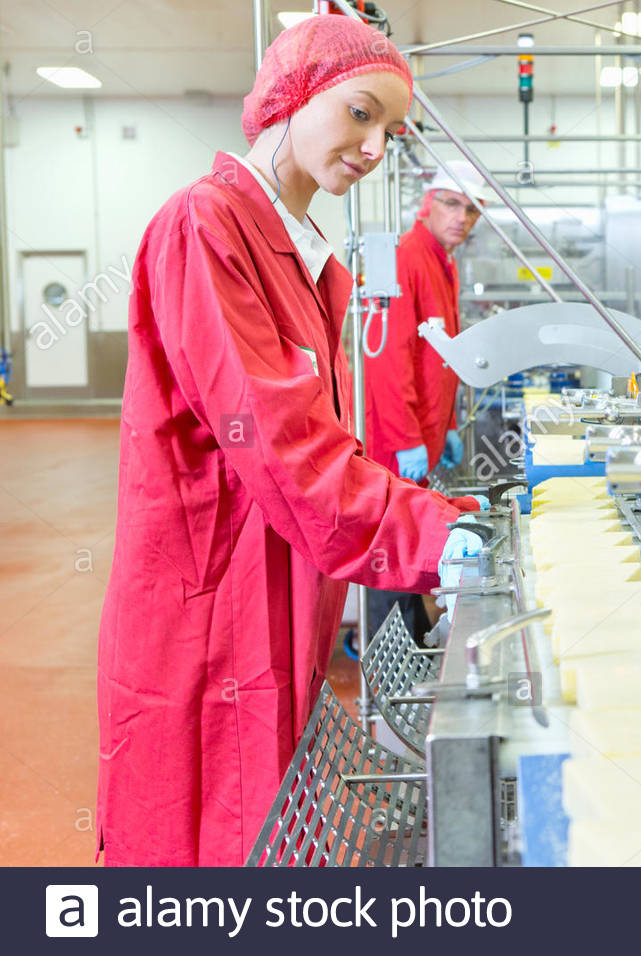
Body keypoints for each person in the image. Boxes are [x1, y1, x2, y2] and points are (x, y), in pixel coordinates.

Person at [97, 15, 485, 867]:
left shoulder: (301, 254)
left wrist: (434, 513)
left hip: (279, 588)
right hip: (207, 610)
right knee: (202, 846)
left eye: (391, 130)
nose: (375, 146)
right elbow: (283, 447)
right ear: (294, 97)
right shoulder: (207, 227)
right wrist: (439, 537)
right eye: (359, 113)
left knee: (267, 832)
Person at [362, 163, 492, 641]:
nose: (462, 217)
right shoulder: (406, 258)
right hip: (397, 441)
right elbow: (388, 361)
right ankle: (387, 656)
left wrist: (451, 424)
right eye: (452, 204)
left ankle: (414, 639)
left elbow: (440, 357)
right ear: (427, 203)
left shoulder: (443, 261)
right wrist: (403, 441)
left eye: (472, 210)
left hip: (426, 433)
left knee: (409, 543)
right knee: (391, 544)